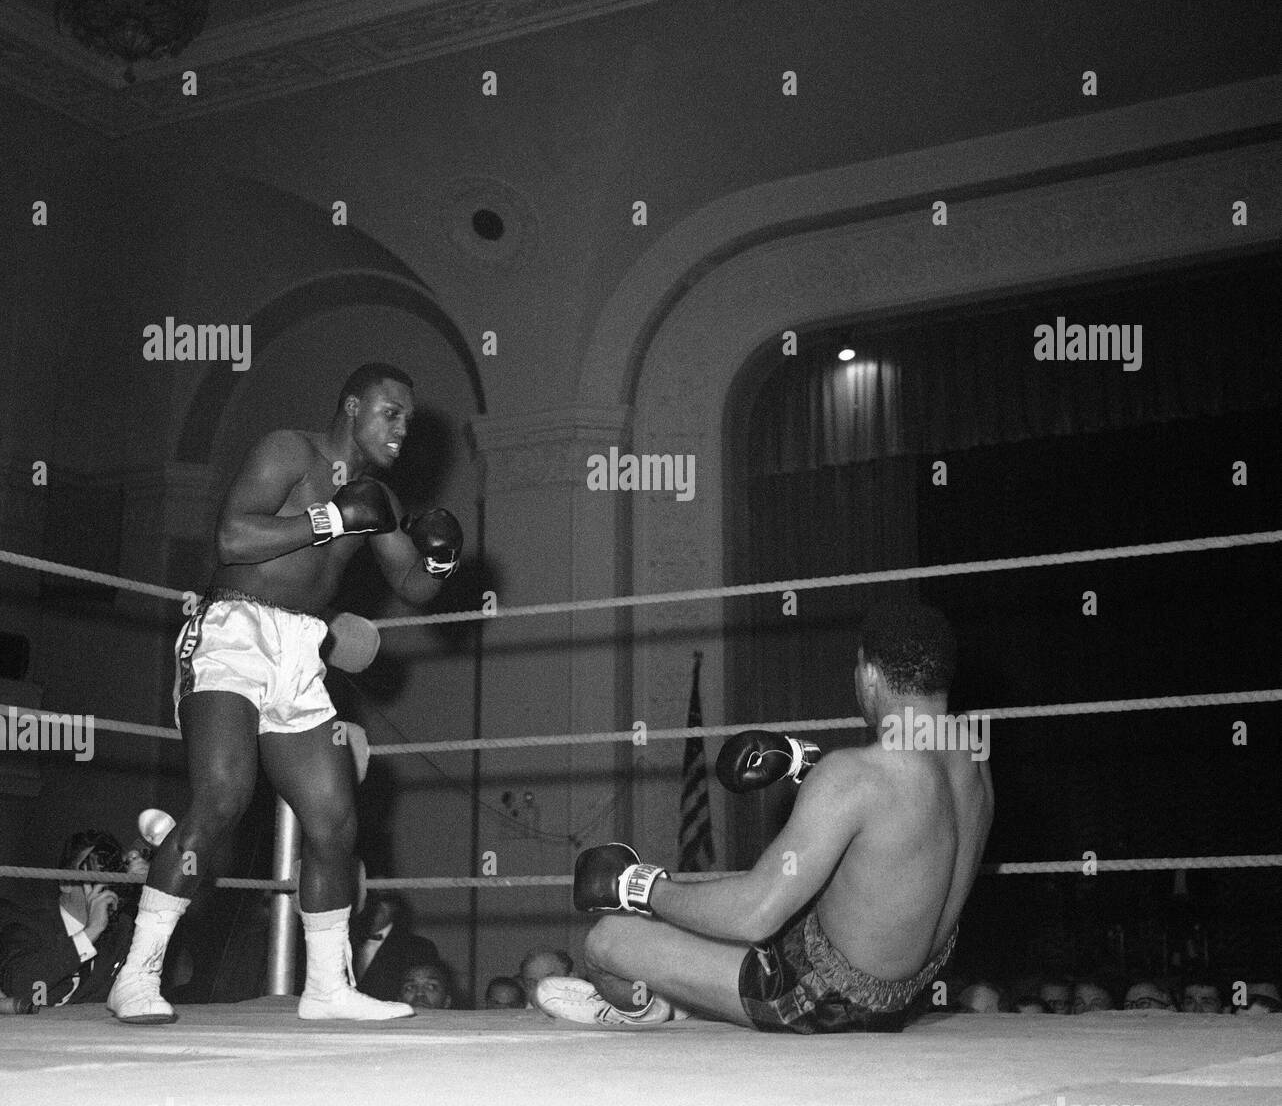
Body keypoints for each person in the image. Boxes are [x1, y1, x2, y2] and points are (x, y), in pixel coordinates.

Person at [108, 364, 463, 1024]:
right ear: (350, 407)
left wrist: (440, 558)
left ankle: (327, 987)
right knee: (222, 797)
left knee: (335, 820)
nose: (401, 429)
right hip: (232, 629)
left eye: (409, 420)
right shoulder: (288, 450)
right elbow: (231, 538)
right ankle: (137, 974)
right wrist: (329, 518)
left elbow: (413, 585)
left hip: (300, 650)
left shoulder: (376, 497)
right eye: (391, 412)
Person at [538, 602, 993, 1032]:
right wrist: (800, 761)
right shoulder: (970, 752)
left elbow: (752, 915)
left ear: (870, 674)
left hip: (826, 999)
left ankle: (648, 1006)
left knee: (608, 940)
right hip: (911, 991)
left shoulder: (853, 778)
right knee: (731, 899)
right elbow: (900, 817)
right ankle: (689, 985)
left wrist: (639, 886)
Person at [0, 831, 148, 1011]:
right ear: (66, 883)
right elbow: (19, 988)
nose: (104, 881)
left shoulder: (121, 930)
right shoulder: (26, 924)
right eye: (93, 871)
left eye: (109, 871)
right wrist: (90, 933)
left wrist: (148, 888)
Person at [351, 892, 441, 1001]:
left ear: (393, 908)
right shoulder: (342, 941)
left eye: (379, 905)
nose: (372, 910)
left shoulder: (418, 947)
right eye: (368, 904)